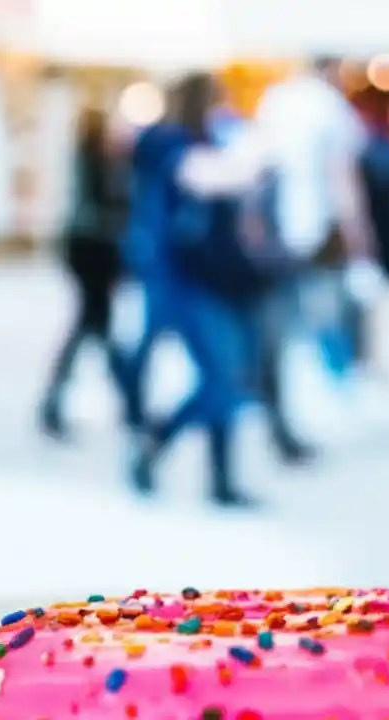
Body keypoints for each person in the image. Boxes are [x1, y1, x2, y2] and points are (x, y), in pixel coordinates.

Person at [128, 74, 270, 507]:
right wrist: (256, 158)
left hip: (222, 280)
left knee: (232, 378)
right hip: (190, 282)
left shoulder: (202, 142)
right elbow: (210, 180)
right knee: (223, 380)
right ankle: (158, 438)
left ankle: (220, 478)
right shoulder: (169, 144)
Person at [255, 59, 376, 381]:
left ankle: (287, 396)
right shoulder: (331, 106)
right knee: (329, 314)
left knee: (287, 319)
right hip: (322, 229)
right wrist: (361, 243)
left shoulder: (275, 100)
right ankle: (337, 384)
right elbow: (344, 180)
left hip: (279, 229)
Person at [39, 108, 131, 440]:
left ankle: (127, 400)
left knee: (94, 329)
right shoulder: (96, 164)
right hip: (93, 251)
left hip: (88, 250)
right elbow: (100, 211)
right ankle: (129, 401)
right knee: (94, 328)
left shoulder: (94, 162)